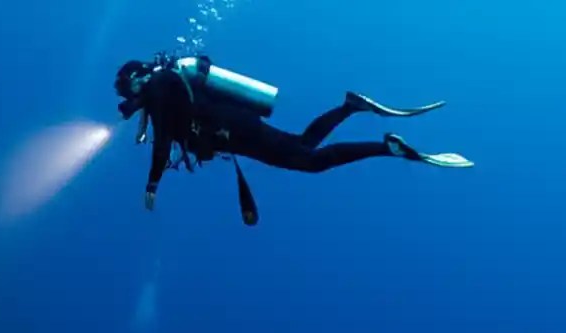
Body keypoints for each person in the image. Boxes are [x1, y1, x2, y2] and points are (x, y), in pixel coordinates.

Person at [114, 53, 473, 221]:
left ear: (138, 77)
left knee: (310, 161)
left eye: (127, 86)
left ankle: (385, 145)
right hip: (235, 132)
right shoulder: (161, 91)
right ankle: (351, 109)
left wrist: (152, 183)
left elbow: (162, 142)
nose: (128, 94)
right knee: (306, 149)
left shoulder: (160, 86)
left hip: (234, 130)